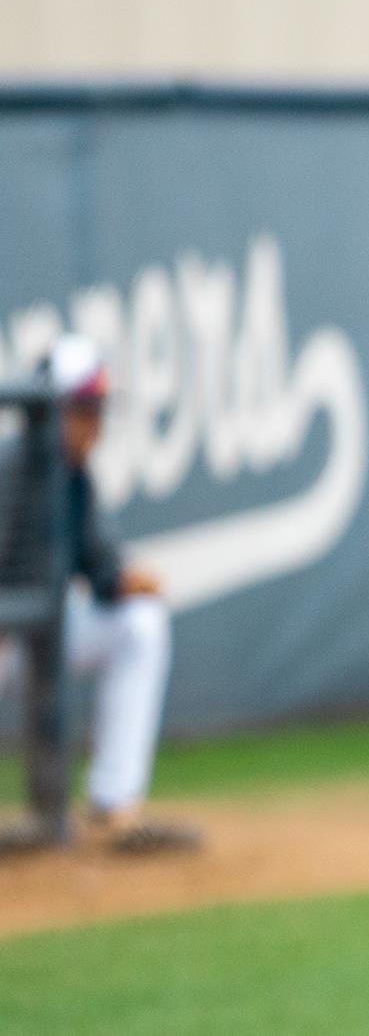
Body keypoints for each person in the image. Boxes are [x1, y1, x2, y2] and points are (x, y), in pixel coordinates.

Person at [0, 335, 197, 855]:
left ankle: (114, 802)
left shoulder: (75, 478)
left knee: (139, 623)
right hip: (8, 640)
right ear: (51, 412)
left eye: (97, 409)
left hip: (35, 642)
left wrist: (126, 579)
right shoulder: (9, 469)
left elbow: (102, 573)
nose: (95, 422)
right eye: (83, 408)